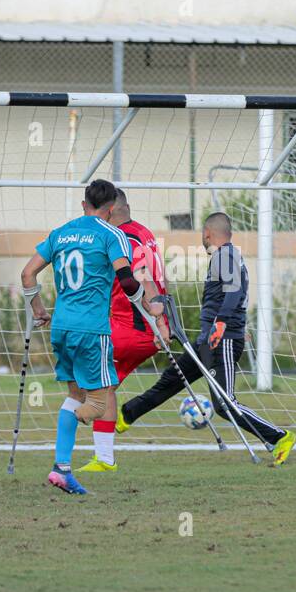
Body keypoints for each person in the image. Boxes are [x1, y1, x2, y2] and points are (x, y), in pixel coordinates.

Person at [116, 211, 296, 466]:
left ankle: (279, 438)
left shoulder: (226, 255)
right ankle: (127, 414)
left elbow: (234, 293)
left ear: (207, 234)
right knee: (172, 379)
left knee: (223, 404)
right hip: (208, 340)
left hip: (221, 340)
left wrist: (222, 323)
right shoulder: (227, 256)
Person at [19, 179, 164, 495]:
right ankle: (73, 438)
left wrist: (38, 309)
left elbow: (28, 273)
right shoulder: (112, 234)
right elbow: (127, 281)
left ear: (84, 203)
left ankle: (62, 468)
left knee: (75, 395)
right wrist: (149, 307)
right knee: (98, 403)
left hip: (60, 327)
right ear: (111, 209)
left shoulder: (60, 233)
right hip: (92, 330)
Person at [75, 189, 169, 473]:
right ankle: (106, 451)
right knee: (102, 385)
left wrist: (159, 322)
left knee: (93, 385)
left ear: (110, 210)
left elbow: (142, 277)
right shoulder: (144, 232)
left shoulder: (123, 239)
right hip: (144, 326)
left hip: (133, 327)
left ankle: (103, 457)